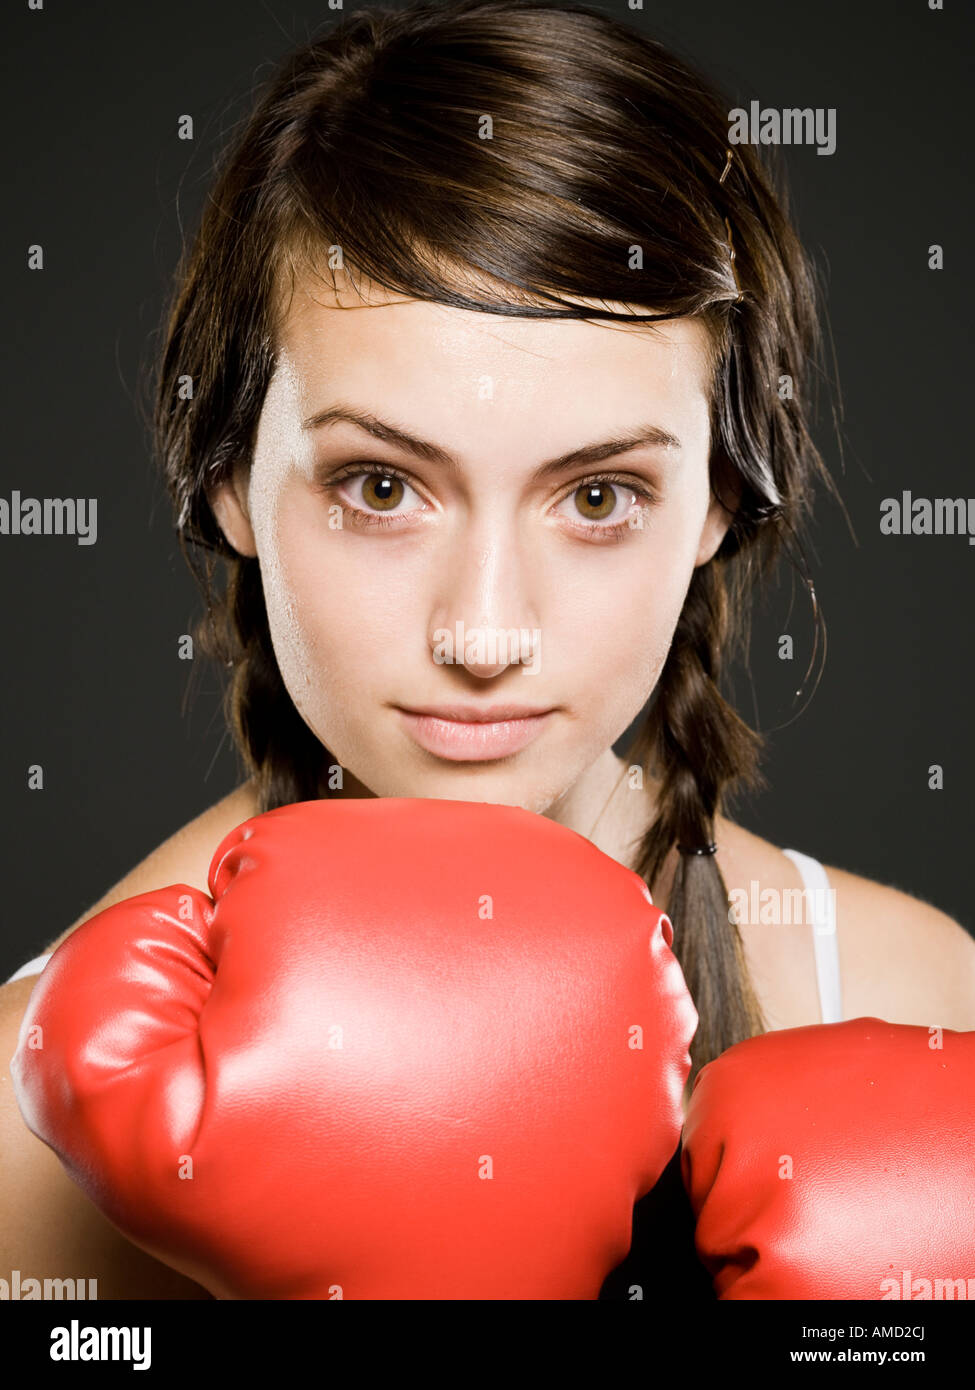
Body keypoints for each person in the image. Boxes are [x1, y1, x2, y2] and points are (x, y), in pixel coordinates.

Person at [2, 0, 973, 1301]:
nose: (482, 631)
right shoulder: (29, 1132)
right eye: (382, 486)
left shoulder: (922, 997)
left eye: (595, 496)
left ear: (719, 504)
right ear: (227, 475)